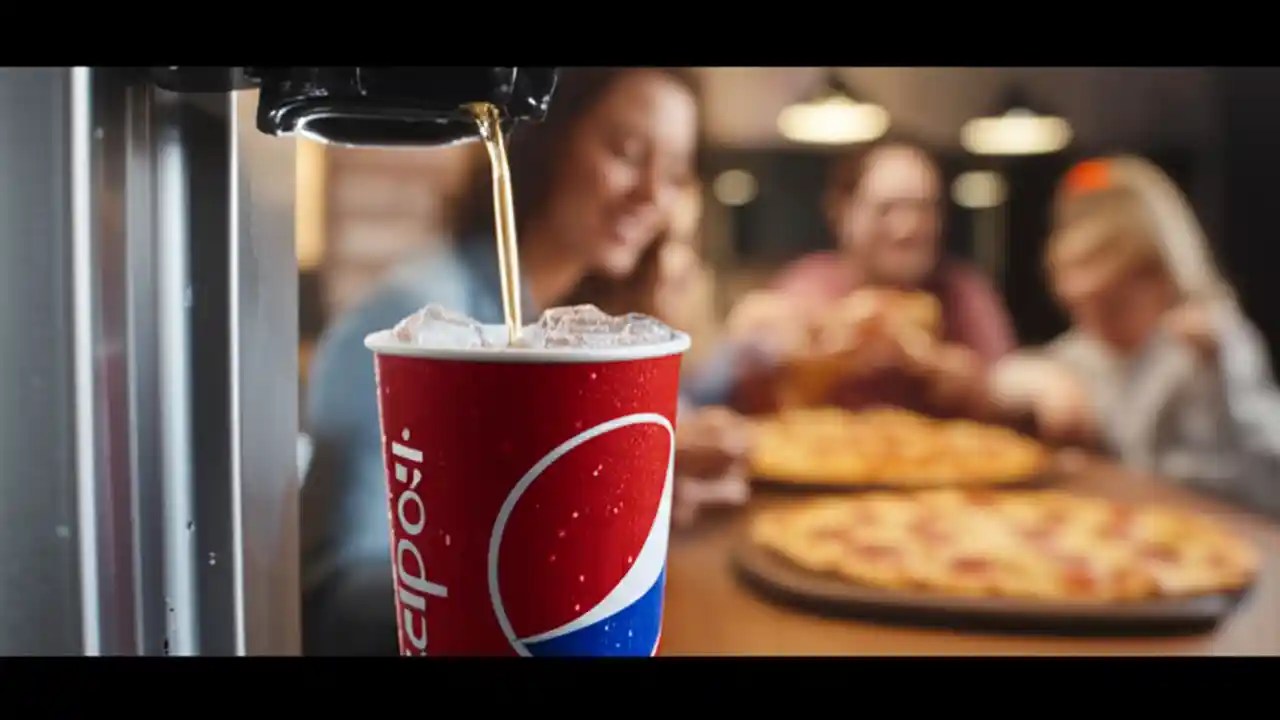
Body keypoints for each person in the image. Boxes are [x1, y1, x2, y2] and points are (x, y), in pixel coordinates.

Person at [300, 67, 705, 655]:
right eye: (626, 151)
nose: (651, 194)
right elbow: (328, 596)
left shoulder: (573, 319)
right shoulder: (410, 315)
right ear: (551, 138)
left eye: (673, 173)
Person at [991, 155, 1280, 517]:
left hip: (1239, 530)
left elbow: (1267, 461)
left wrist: (1223, 368)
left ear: (1158, 275)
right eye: (1081, 308)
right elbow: (1013, 376)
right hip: (1139, 534)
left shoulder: (1215, 342)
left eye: (1113, 305)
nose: (1096, 323)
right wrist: (1030, 377)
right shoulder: (1084, 353)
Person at [685, 137, 1018, 418]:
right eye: (886, 209)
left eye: (924, 208)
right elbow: (737, 394)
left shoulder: (965, 293)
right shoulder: (806, 287)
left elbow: (1012, 402)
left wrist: (948, 372)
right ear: (842, 212)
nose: (908, 228)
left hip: (954, 481)